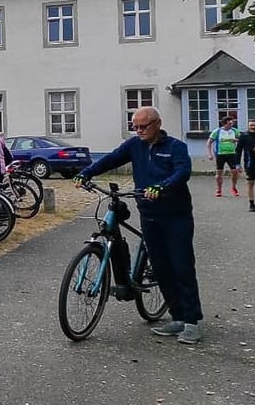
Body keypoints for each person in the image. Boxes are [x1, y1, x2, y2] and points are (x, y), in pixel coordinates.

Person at [74, 106, 204, 344]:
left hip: (176, 215)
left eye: (144, 126)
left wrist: (162, 187)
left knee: (181, 266)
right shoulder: (134, 146)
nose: (139, 131)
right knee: (162, 268)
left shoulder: (176, 147)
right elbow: (111, 159)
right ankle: (176, 317)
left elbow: (182, 172)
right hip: (149, 214)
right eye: (135, 126)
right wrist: (86, 172)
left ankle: (192, 322)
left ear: (158, 124)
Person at [207, 116, 241, 197]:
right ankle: (219, 189)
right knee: (219, 173)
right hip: (220, 154)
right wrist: (209, 154)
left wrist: (236, 140)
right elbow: (209, 142)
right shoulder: (217, 131)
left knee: (234, 172)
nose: (232, 124)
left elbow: (242, 140)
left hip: (232, 154)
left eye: (232, 123)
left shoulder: (235, 131)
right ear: (225, 123)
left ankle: (234, 187)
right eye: (230, 123)